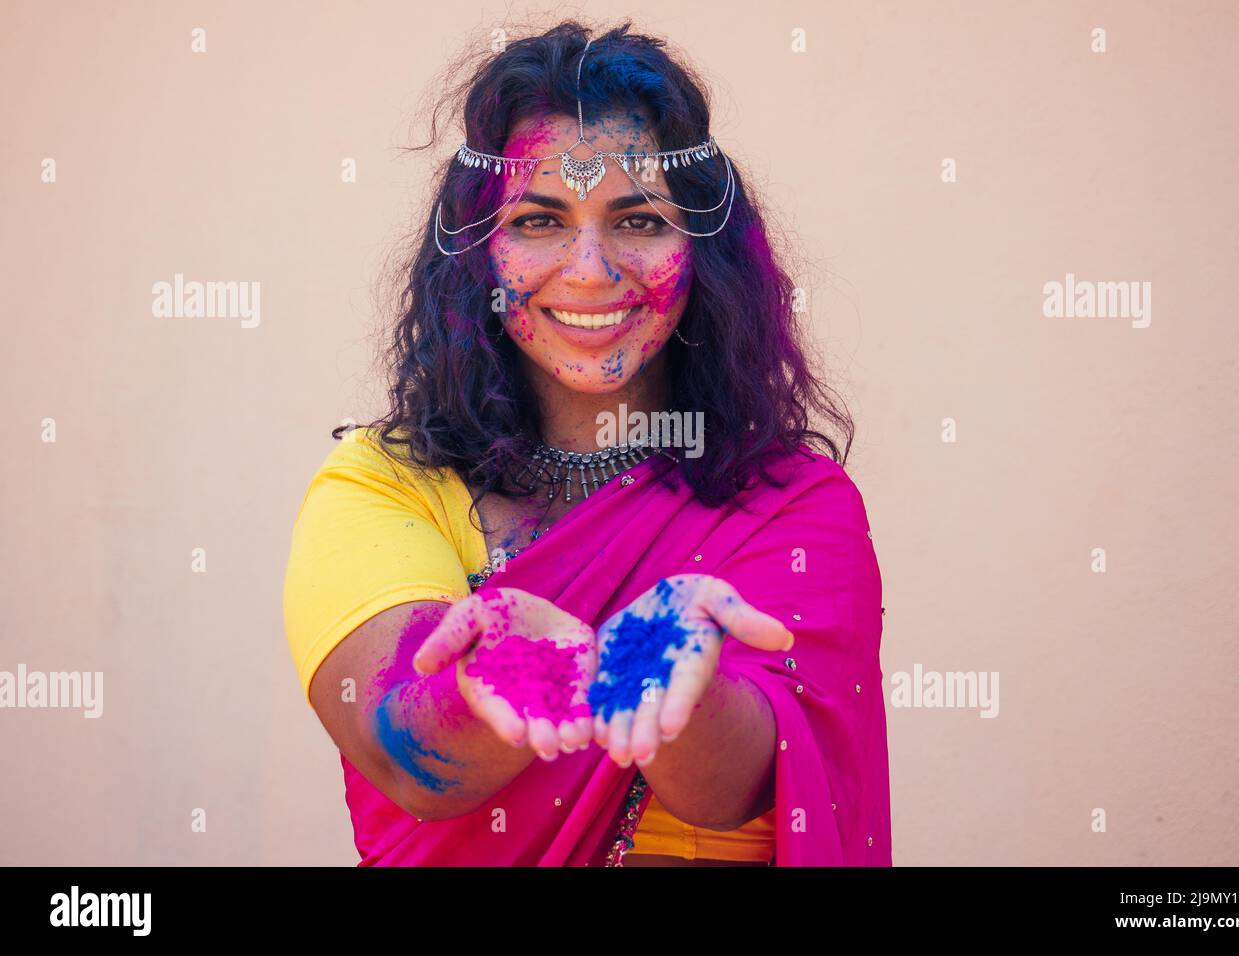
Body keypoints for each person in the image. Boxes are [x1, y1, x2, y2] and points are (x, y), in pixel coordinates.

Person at [282, 19, 891, 866]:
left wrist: (669, 666)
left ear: (703, 248)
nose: (592, 270)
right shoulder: (382, 486)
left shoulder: (793, 504)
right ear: (477, 252)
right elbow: (406, 756)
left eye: (638, 220)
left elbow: (735, 788)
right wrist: (518, 667)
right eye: (538, 221)